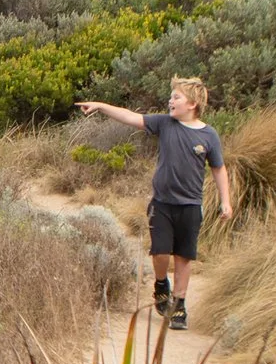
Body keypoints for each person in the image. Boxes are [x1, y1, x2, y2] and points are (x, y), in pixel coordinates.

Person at [74, 76, 230, 329]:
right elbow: (129, 116)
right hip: (162, 203)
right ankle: (160, 284)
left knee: (183, 257)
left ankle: (179, 305)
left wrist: (226, 201)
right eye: (171, 96)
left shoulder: (209, 135)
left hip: (190, 205)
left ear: (192, 103)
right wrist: (101, 106)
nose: (170, 100)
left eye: (176, 97)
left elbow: (219, 169)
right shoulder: (165, 124)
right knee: (160, 252)